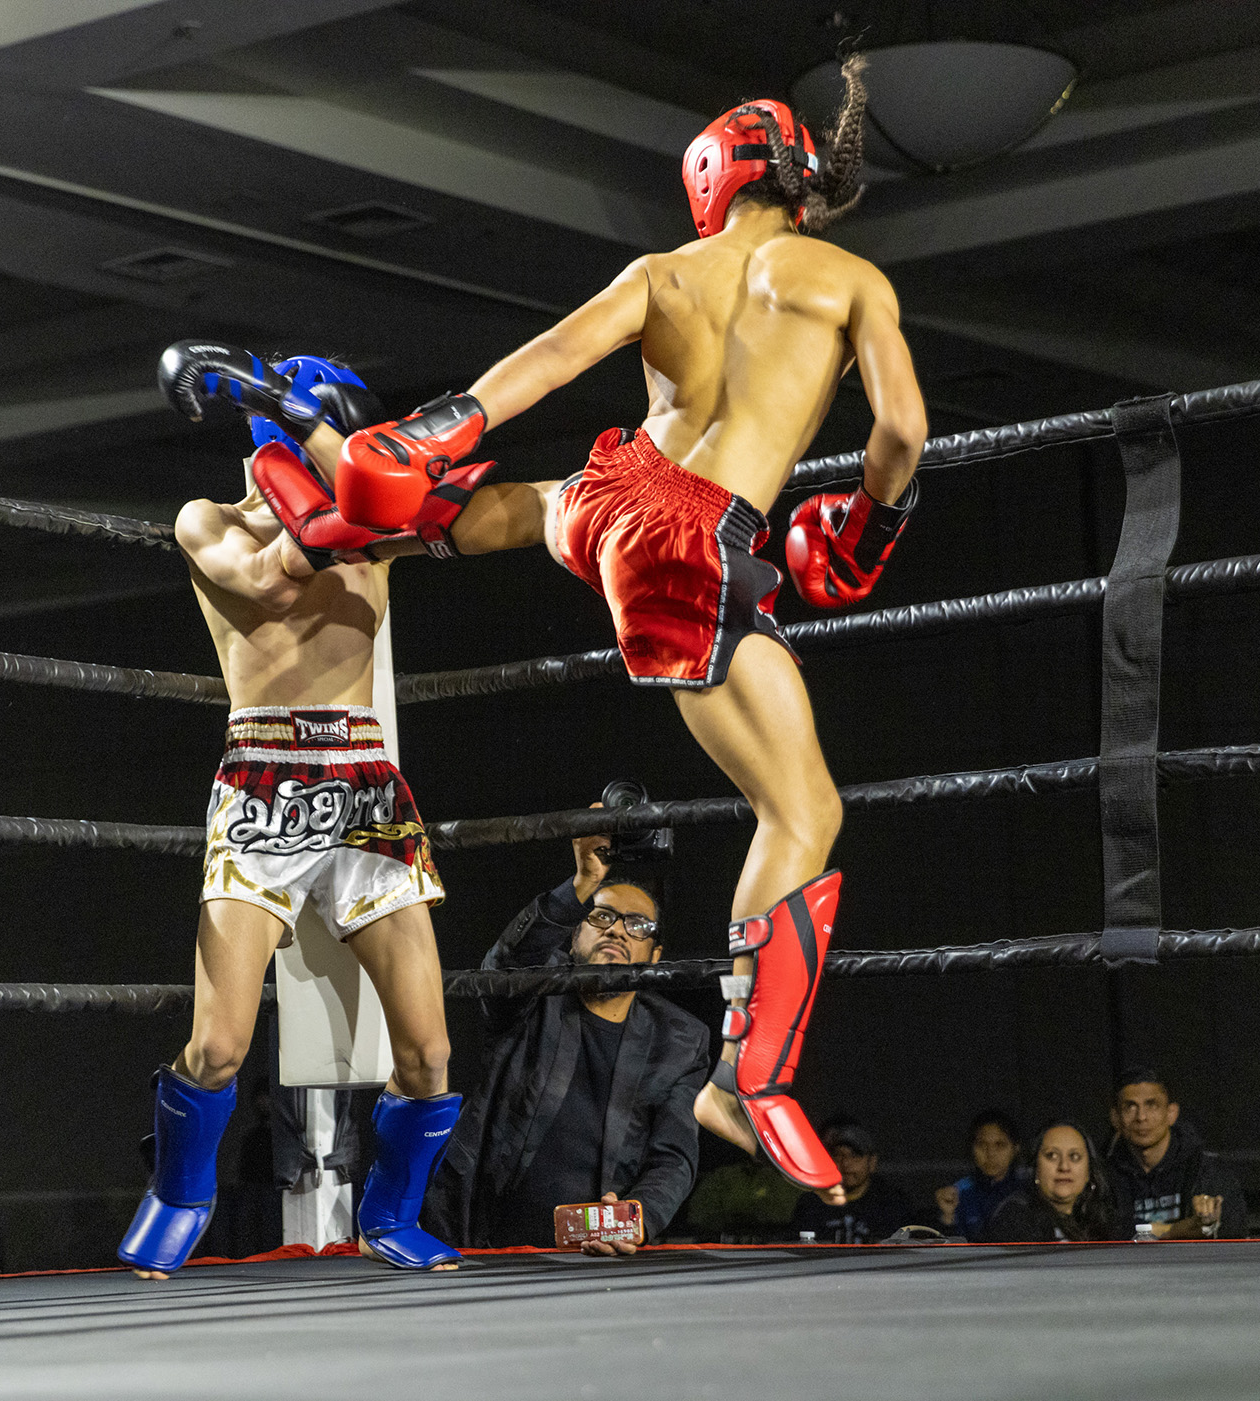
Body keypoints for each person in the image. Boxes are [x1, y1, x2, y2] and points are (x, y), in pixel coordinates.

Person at [240, 57, 920, 1193]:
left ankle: (333, 504)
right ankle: (746, 1073)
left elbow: (551, 362)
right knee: (803, 808)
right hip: (700, 543)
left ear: (712, 180)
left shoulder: (662, 272)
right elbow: (899, 437)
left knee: (529, 506)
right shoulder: (850, 280)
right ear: (803, 183)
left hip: (617, 497)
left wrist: (430, 429)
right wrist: (864, 531)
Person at [116, 354, 486, 1276]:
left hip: (366, 789)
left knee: (429, 1053)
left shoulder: (376, 531)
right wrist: (336, 516)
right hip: (261, 787)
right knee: (218, 1045)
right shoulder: (208, 519)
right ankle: (179, 1191)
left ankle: (390, 1214)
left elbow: (475, 522)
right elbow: (269, 583)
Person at [426, 810, 713, 1253]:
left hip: (593, 1250)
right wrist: (584, 881)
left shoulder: (680, 1039)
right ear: (574, 935)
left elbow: (673, 1156)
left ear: (655, 956)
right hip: (480, 1234)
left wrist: (635, 1219)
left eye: (637, 925)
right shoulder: (536, 991)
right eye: (601, 917)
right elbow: (506, 966)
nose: (617, 930)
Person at [1103, 1069, 1247, 1239]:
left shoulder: (1208, 1171)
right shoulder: (1101, 1174)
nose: (1141, 1117)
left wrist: (1209, 1223)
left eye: (1151, 1105)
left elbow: (1235, 1236)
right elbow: (1099, 1230)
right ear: (1115, 1118)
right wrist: (1176, 1230)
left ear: (1171, 1113)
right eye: (1130, 1107)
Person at [982, 1121, 1121, 1243]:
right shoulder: (1013, 1220)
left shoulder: (1108, 1220)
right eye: (1052, 1156)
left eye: (1074, 1156)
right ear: (1036, 1167)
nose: (1064, 1166)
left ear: (1089, 1172)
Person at [789, 1119, 919, 1244]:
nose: (845, 1163)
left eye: (855, 1156)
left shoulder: (892, 1205)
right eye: (838, 1155)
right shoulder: (812, 1204)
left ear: (872, 1162)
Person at [935, 1110, 1029, 1238]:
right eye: (982, 1145)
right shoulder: (959, 1193)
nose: (990, 1153)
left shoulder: (1029, 1189)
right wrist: (947, 1217)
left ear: (1015, 1149)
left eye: (1000, 1145)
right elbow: (949, 1245)